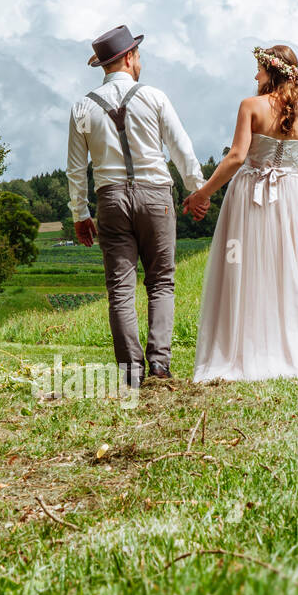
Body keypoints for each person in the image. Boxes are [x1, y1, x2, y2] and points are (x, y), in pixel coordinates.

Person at [184, 44, 298, 382]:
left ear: (272, 71)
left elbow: (236, 157)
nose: (255, 76)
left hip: (250, 196)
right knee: (292, 269)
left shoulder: (250, 106)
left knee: (247, 270)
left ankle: (249, 350)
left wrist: (202, 194)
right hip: (295, 199)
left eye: (259, 70)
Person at [67, 24, 203, 385]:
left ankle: (131, 371)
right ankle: (160, 365)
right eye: (137, 54)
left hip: (110, 200)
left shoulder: (82, 107)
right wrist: (197, 190)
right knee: (161, 281)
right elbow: (181, 149)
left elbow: (76, 169)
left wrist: (80, 215)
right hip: (155, 195)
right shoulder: (154, 96)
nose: (139, 60)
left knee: (120, 288)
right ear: (128, 58)